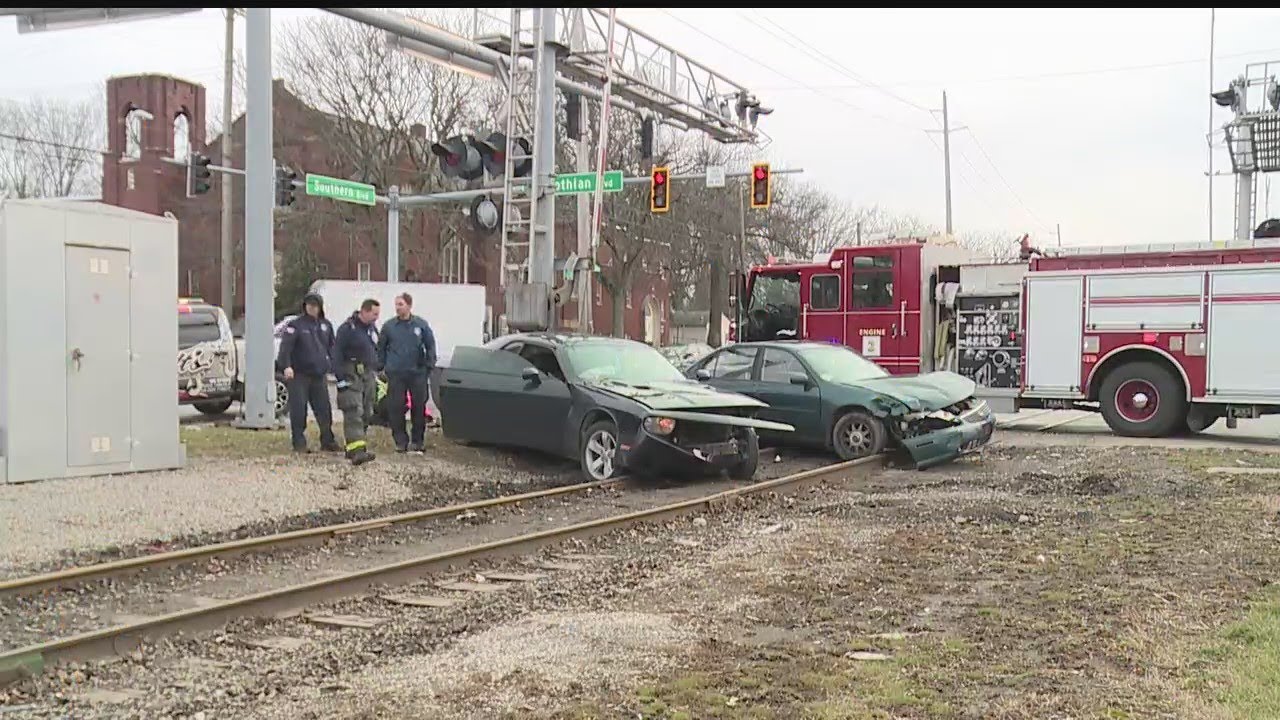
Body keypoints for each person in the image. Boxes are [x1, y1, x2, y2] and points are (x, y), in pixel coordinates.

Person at [275, 292, 340, 453]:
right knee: (299, 409)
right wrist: (286, 366)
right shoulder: (296, 325)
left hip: (319, 375)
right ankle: (299, 442)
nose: (311, 308)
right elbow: (285, 348)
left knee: (324, 409)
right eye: (309, 305)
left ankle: (327, 440)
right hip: (299, 375)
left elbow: (332, 347)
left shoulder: (325, 325)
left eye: (314, 305)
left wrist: (334, 365)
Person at [377, 292, 436, 454]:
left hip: (417, 373)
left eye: (401, 304)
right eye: (396, 304)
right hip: (396, 373)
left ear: (409, 306)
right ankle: (400, 441)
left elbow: (430, 345)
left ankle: (417, 441)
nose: (397, 307)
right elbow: (381, 347)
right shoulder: (389, 327)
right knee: (395, 408)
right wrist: (381, 366)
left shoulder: (421, 325)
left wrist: (429, 365)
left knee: (418, 407)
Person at [334, 298, 381, 466]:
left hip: (368, 374)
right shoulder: (347, 329)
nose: (377, 317)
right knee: (354, 411)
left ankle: (357, 446)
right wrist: (340, 378)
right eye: (374, 314)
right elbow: (336, 352)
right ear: (365, 311)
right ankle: (356, 452)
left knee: (367, 411)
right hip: (351, 373)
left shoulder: (371, 330)